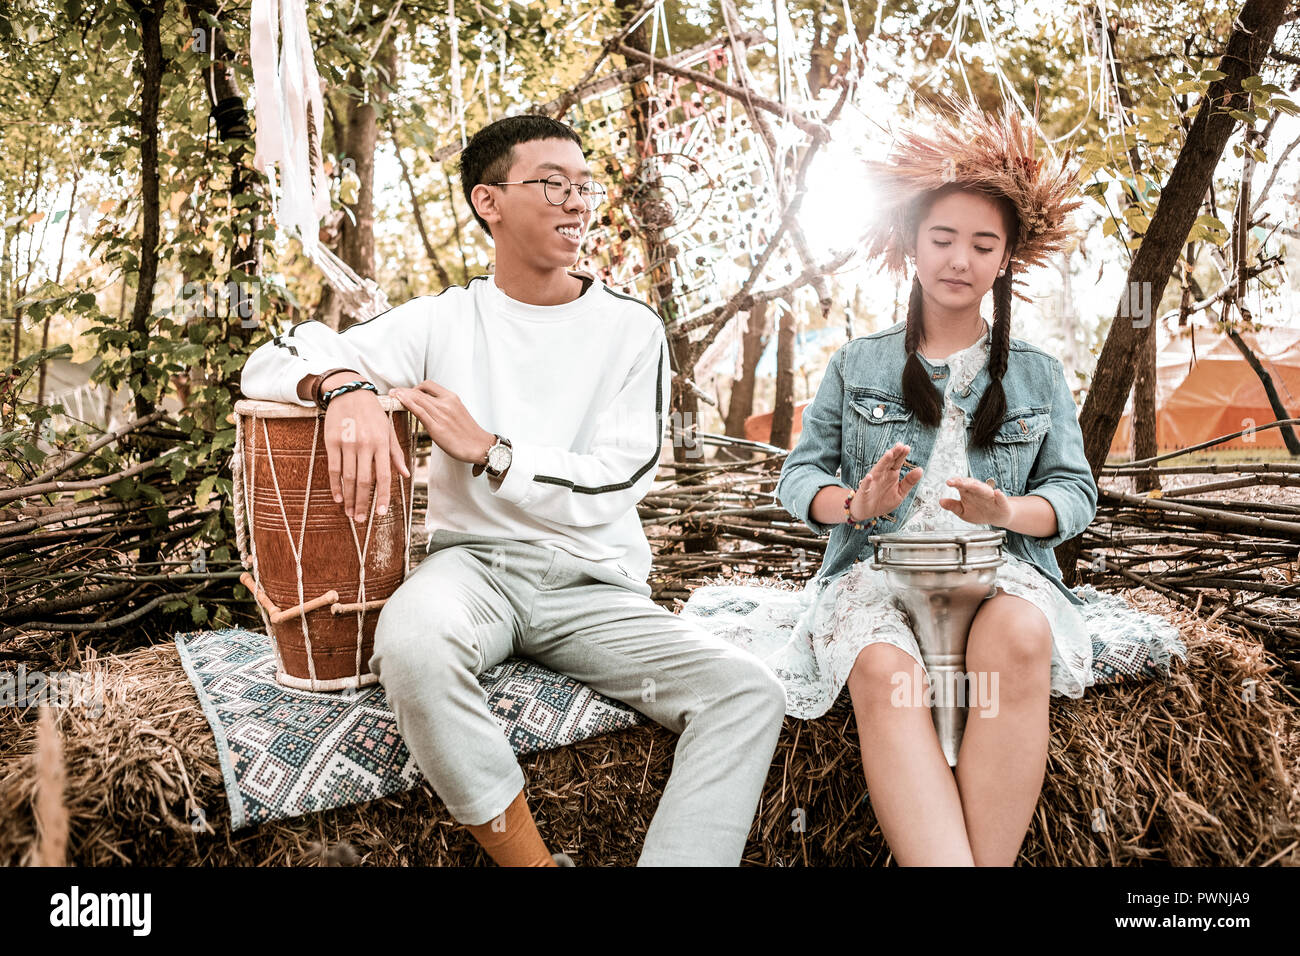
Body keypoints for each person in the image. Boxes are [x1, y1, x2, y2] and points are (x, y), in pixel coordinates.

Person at [239, 114, 787, 867]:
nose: (576, 203)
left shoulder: (631, 328)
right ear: (488, 202)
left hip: (595, 585)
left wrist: (493, 451)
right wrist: (343, 385)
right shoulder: (443, 318)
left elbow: (621, 477)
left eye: (583, 186)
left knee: (747, 693)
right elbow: (276, 354)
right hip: (473, 571)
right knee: (412, 647)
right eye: (551, 184)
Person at [682, 102, 1179, 866]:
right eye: (942, 239)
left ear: (1006, 259)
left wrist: (1010, 509)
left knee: (1018, 636)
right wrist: (854, 504)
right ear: (912, 246)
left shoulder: (1039, 372)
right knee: (885, 673)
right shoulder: (858, 364)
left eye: (983, 244)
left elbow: (1076, 494)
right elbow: (798, 476)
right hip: (874, 573)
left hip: (999, 569)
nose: (959, 259)